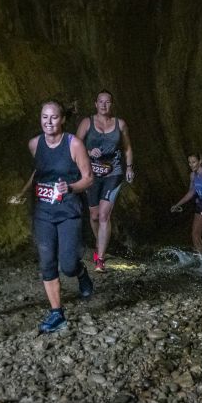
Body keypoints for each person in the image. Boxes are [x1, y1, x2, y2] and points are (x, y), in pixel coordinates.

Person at [27, 100, 94, 333]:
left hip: (68, 211)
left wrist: (71, 187)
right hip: (44, 212)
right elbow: (39, 170)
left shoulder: (74, 144)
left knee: (67, 265)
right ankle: (57, 314)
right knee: (47, 262)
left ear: (62, 119)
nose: (48, 122)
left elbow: (89, 178)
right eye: (44, 117)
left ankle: (81, 272)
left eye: (53, 117)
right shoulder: (34, 144)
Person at [75, 90, 134, 272]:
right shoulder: (87, 122)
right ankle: (99, 245)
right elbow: (74, 145)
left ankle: (100, 259)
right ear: (95, 104)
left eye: (107, 102)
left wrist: (130, 167)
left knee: (103, 215)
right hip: (91, 174)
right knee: (93, 215)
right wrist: (88, 151)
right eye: (100, 102)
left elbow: (127, 148)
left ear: (111, 104)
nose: (103, 105)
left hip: (113, 173)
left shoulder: (120, 124)